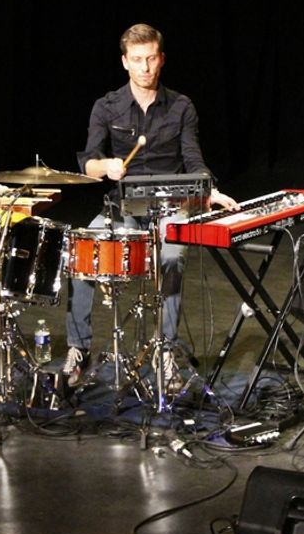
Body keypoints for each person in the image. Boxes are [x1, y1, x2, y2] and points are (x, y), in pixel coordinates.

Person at [63, 23, 237, 387]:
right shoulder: (106, 107)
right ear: (125, 62)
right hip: (121, 211)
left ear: (162, 59)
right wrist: (106, 167)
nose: (145, 67)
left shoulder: (181, 107)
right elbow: (87, 162)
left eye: (151, 59)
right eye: (137, 60)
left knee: (172, 258)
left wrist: (210, 191)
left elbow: (193, 160)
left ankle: (165, 349)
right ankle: (78, 348)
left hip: (170, 209)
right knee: (81, 253)